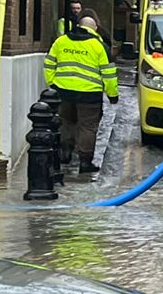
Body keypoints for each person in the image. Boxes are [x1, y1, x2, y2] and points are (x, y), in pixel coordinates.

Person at [45, 14, 118, 176]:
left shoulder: (61, 41)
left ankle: (65, 153)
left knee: (66, 122)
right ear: (95, 29)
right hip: (89, 94)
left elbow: (49, 63)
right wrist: (112, 95)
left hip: (63, 91)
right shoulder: (99, 46)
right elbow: (109, 74)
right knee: (88, 127)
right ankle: (85, 162)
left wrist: (53, 84)